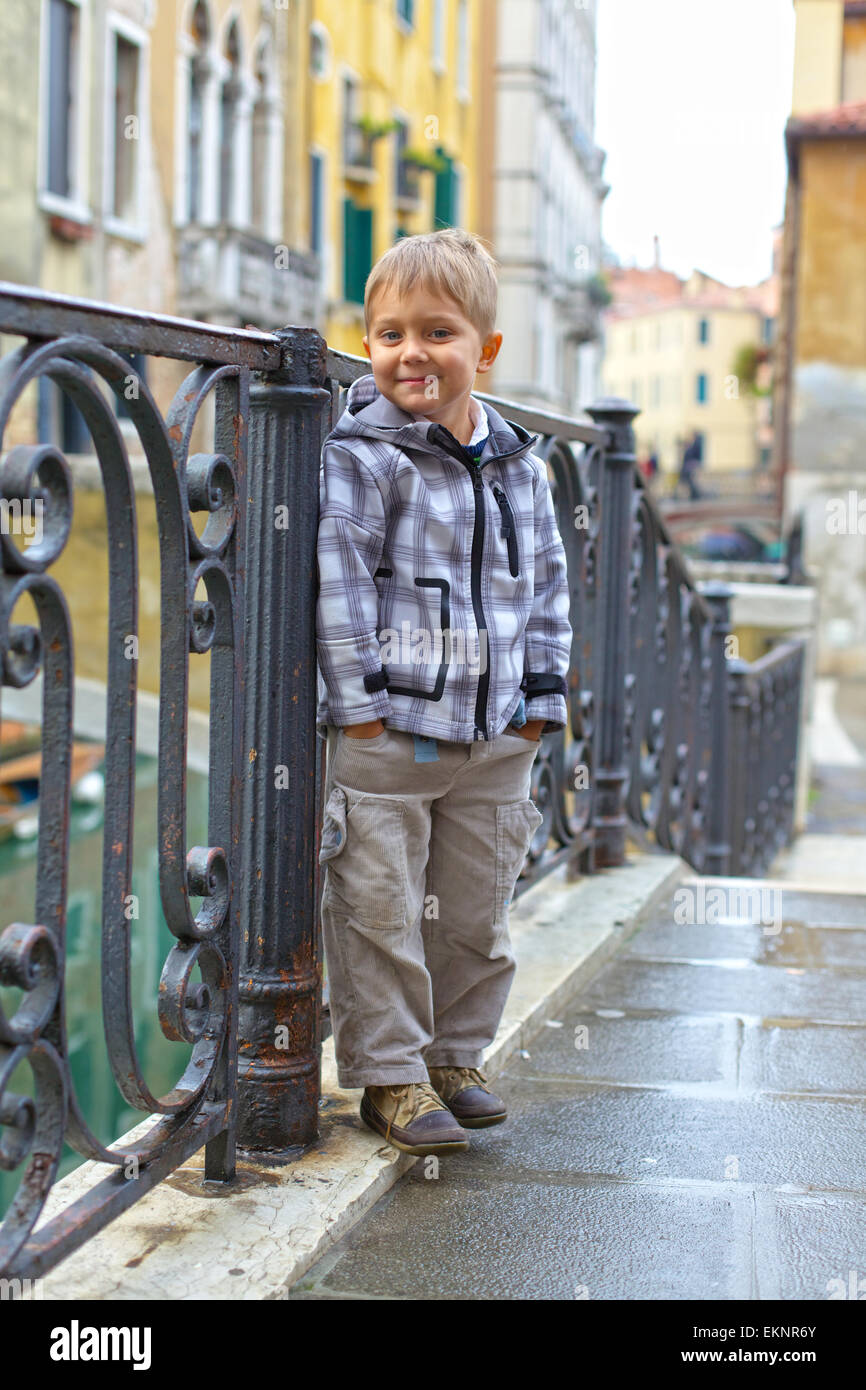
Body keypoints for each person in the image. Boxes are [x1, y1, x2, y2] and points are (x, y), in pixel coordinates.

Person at [315, 228, 572, 1157]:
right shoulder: (361, 456)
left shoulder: (522, 469)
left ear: (485, 350)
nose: (410, 353)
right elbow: (338, 586)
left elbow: (546, 589)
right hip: (393, 730)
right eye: (388, 335)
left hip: (498, 731)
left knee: (475, 908)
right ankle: (392, 1076)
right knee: (380, 908)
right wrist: (360, 707)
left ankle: (457, 1057)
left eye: (437, 332)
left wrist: (543, 701)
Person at [677, 430, 703, 499]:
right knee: (688, 482)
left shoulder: (695, 445)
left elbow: (694, 457)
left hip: (689, 467)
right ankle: (692, 494)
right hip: (687, 468)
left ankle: (694, 495)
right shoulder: (692, 446)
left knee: (691, 482)